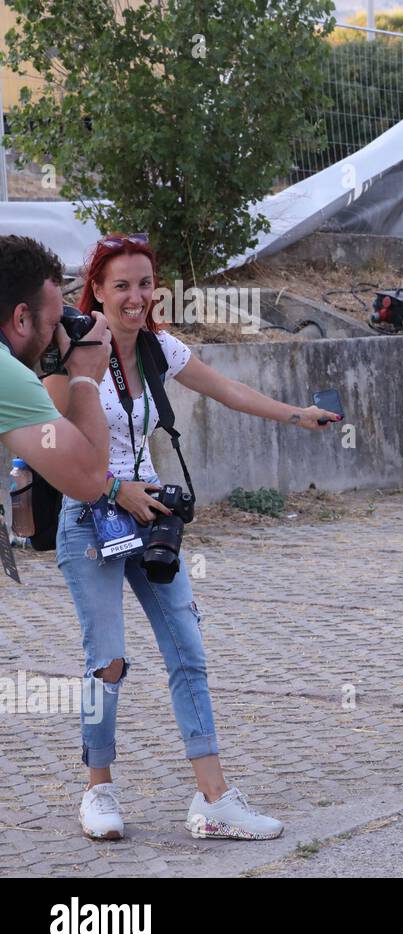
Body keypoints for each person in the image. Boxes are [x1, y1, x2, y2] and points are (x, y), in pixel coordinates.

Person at [45, 233, 341, 842]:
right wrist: (110, 486)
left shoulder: (159, 349)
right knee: (108, 660)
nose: (136, 297)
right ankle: (98, 789)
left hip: (150, 514)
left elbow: (227, 389)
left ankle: (213, 800)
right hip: (90, 514)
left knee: (188, 653)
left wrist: (296, 414)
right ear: (95, 290)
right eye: (121, 285)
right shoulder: (70, 355)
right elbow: (53, 443)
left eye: (145, 284)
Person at [0, 235, 111, 503]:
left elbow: (47, 441)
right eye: (53, 325)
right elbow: (89, 482)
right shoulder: (7, 375)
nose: (54, 340)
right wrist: (85, 377)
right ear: (22, 318)